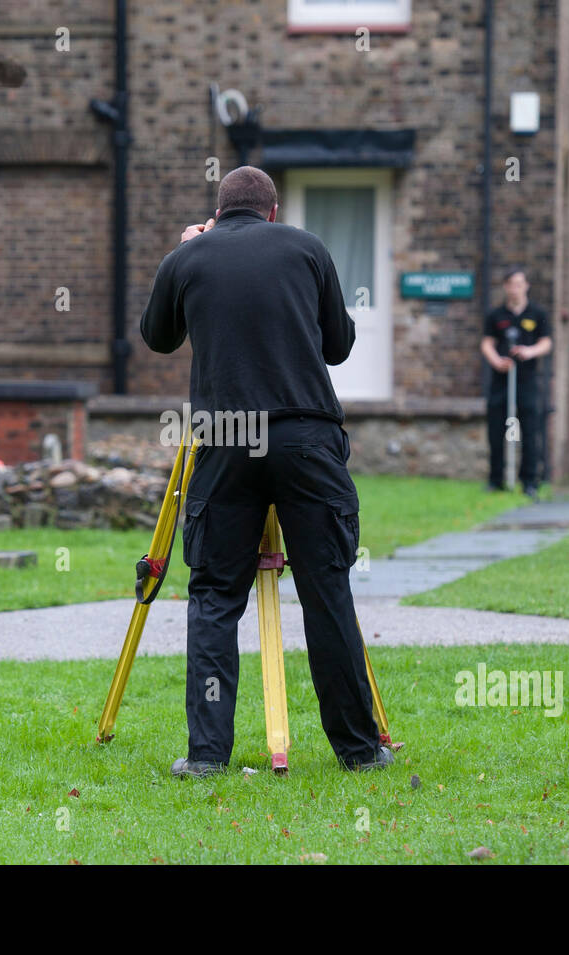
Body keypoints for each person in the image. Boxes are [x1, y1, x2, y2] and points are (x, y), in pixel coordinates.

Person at [139, 166, 392, 778]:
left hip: (226, 439)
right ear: (273, 212)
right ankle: (358, 752)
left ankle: (206, 757)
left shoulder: (190, 255)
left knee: (215, 596)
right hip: (306, 435)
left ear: (218, 213)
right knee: (326, 591)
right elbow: (339, 345)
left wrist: (185, 253)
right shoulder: (308, 248)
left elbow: (156, 337)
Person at [480, 268, 552, 498]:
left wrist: (529, 352)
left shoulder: (537, 313)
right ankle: (496, 479)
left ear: (526, 286)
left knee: (530, 431)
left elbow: (546, 343)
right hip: (501, 382)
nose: (515, 288)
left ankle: (529, 480)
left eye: (520, 284)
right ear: (506, 287)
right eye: (511, 284)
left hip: (527, 381)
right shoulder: (496, 315)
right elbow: (487, 344)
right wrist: (496, 361)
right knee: (496, 430)